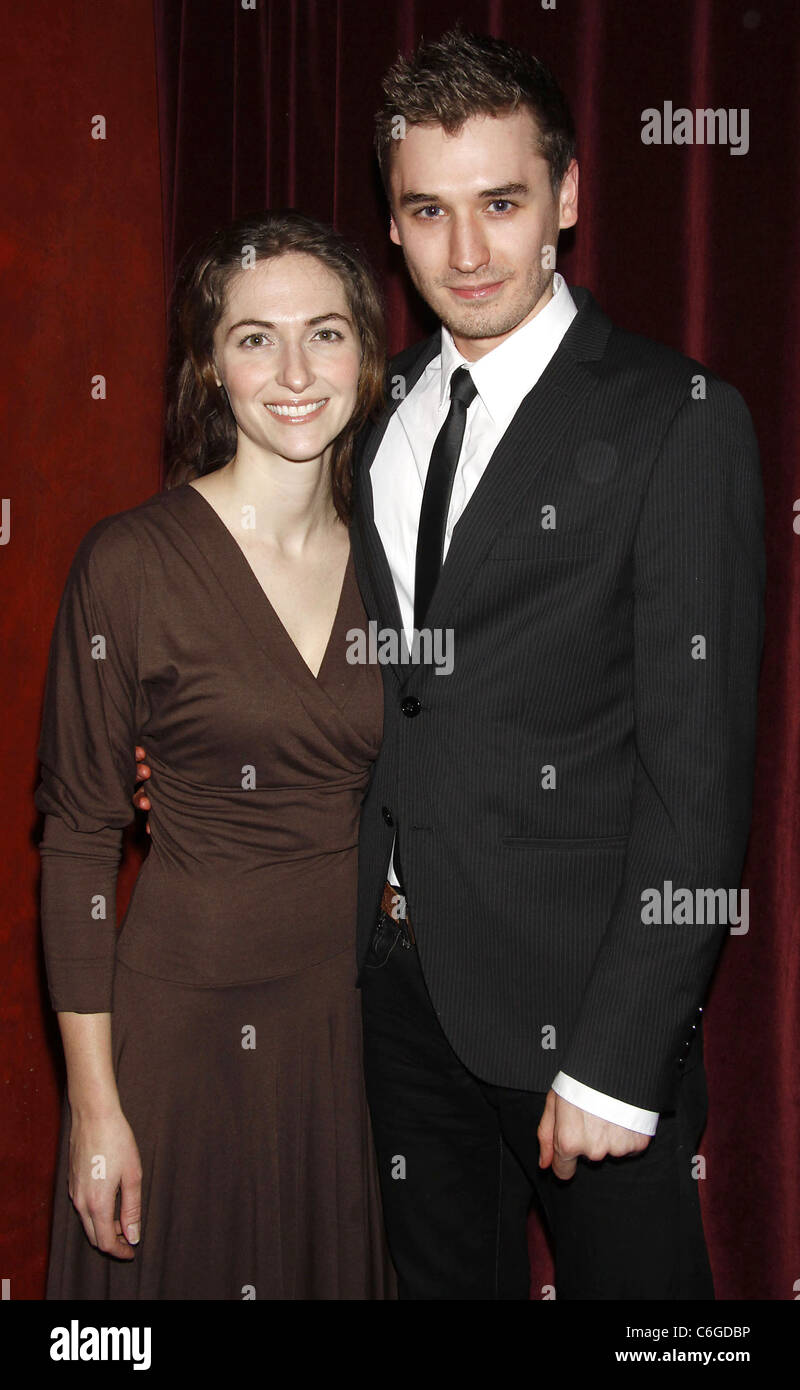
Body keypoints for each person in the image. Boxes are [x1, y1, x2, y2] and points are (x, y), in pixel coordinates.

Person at [346, 28, 764, 1298]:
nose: (464, 253)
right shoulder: (377, 410)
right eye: (428, 210)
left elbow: (699, 779)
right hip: (394, 990)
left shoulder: (673, 419)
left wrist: (618, 1055)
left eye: (500, 204)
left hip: (581, 1002)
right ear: (396, 220)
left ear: (566, 199)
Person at [35, 210, 396, 1299]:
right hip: (179, 1028)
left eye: (324, 333)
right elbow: (78, 843)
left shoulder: (403, 558)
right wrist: (95, 1106)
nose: (293, 370)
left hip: (348, 1035)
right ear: (208, 363)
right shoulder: (131, 563)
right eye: (253, 337)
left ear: (367, 354)